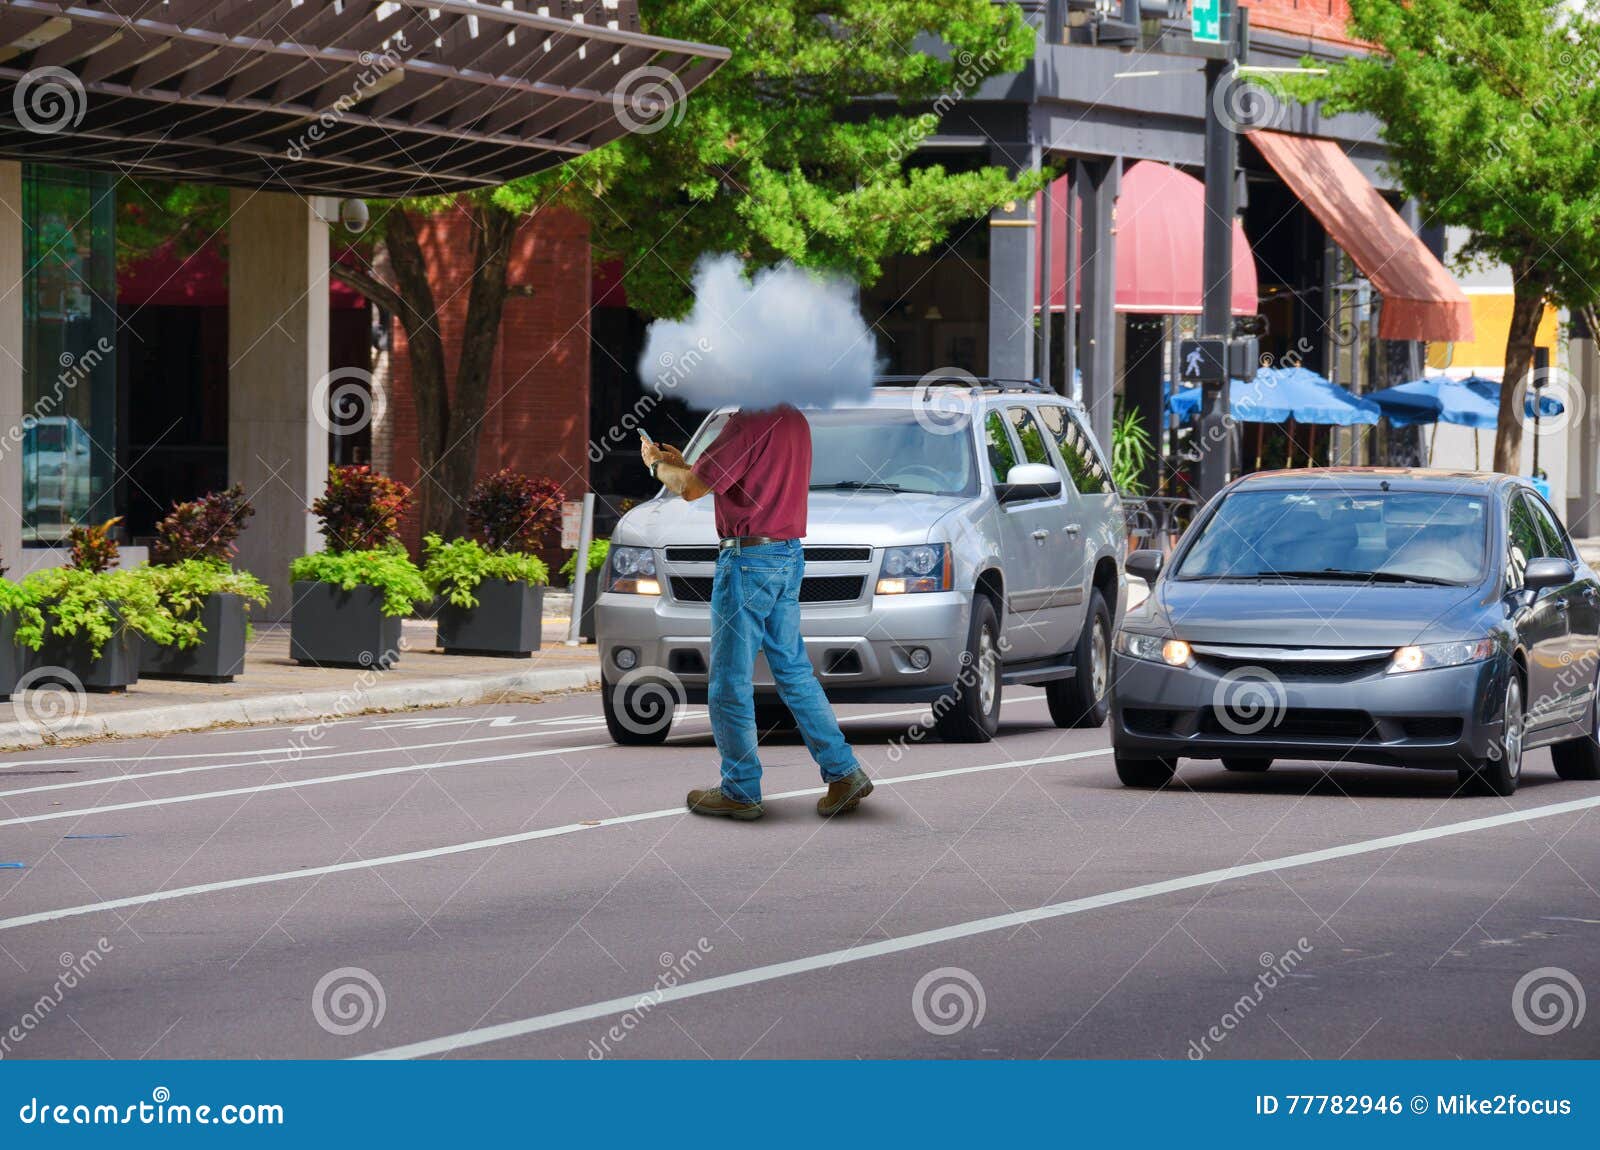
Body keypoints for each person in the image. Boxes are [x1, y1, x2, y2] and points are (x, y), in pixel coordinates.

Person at [640, 406, 872, 821]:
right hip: (786, 554)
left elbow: (693, 489)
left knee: (730, 679)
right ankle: (843, 772)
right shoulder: (793, 418)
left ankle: (740, 789)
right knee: (794, 671)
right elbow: (740, 479)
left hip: (748, 560)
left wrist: (658, 465)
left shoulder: (748, 421)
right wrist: (683, 465)